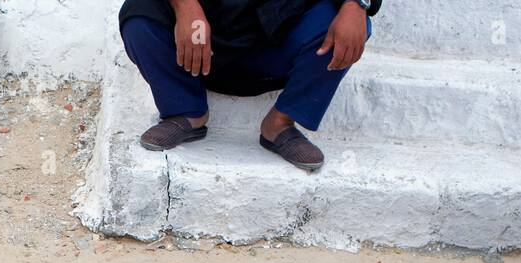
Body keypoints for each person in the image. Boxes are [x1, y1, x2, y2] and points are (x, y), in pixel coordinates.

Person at [120, 0, 379, 169]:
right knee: (139, 15)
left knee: (352, 23)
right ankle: (185, 111)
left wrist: (357, 5)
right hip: (200, 40)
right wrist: (185, 7)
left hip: (280, 37)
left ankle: (280, 123)